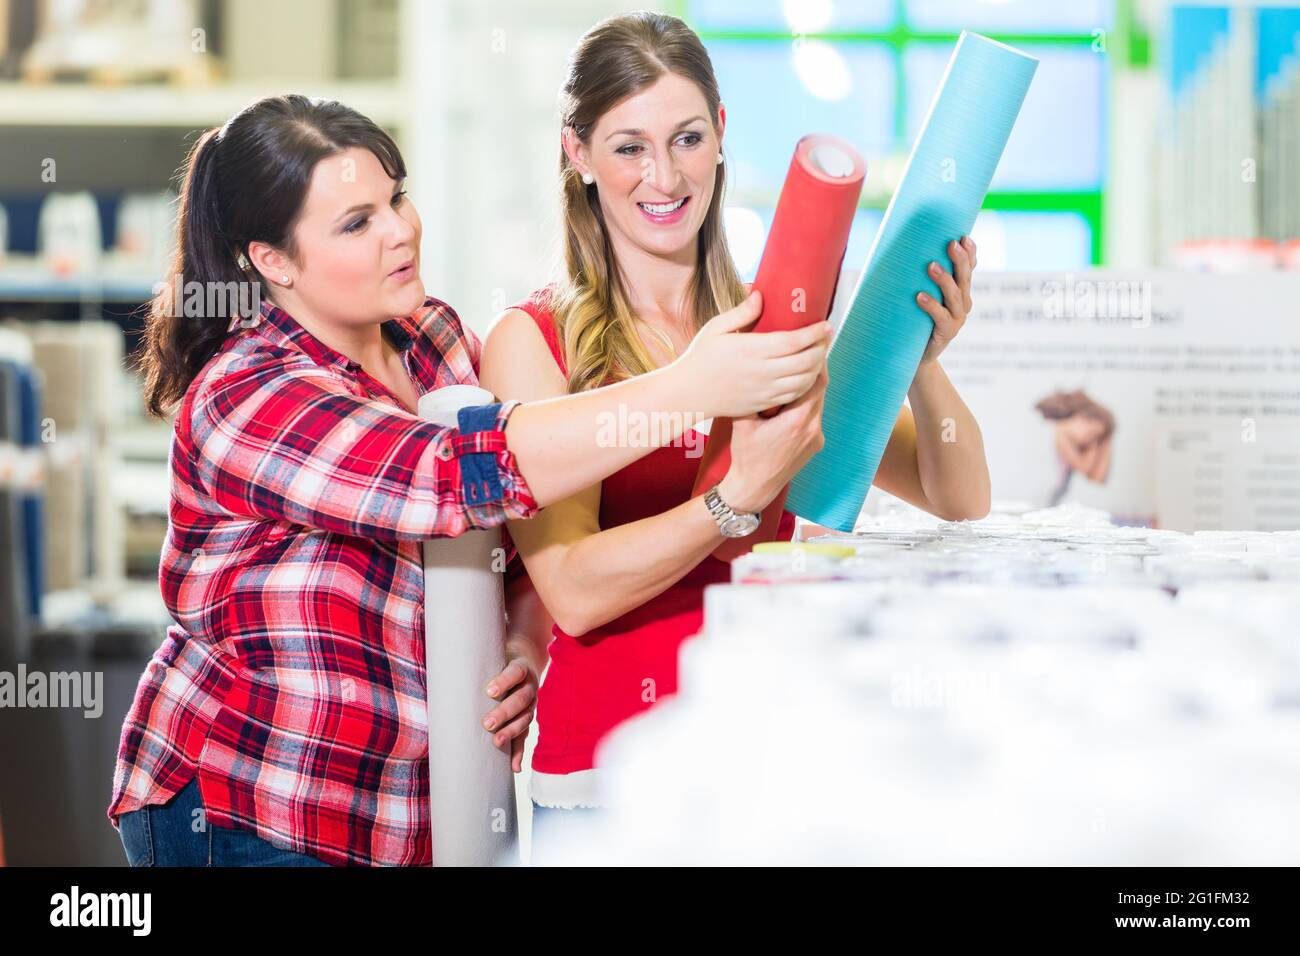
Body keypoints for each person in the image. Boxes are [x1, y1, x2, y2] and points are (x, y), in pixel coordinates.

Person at [108, 93, 829, 867]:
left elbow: (513, 532)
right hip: (250, 799)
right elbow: (456, 477)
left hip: (404, 807)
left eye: (397, 196)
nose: (400, 232)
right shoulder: (247, 393)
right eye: (357, 223)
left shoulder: (432, 335)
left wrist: (519, 643)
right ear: (272, 261)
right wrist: (691, 389)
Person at [476, 12, 992, 851]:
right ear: (577, 156)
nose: (664, 176)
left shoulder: (778, 319)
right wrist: (734, 497)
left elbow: (958, 494)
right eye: (628, 147)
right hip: (609, 772)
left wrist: (922, 357)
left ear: (720, 133)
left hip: (772, 747)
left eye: (684, 138)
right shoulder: (533, 341)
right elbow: (572, 589)